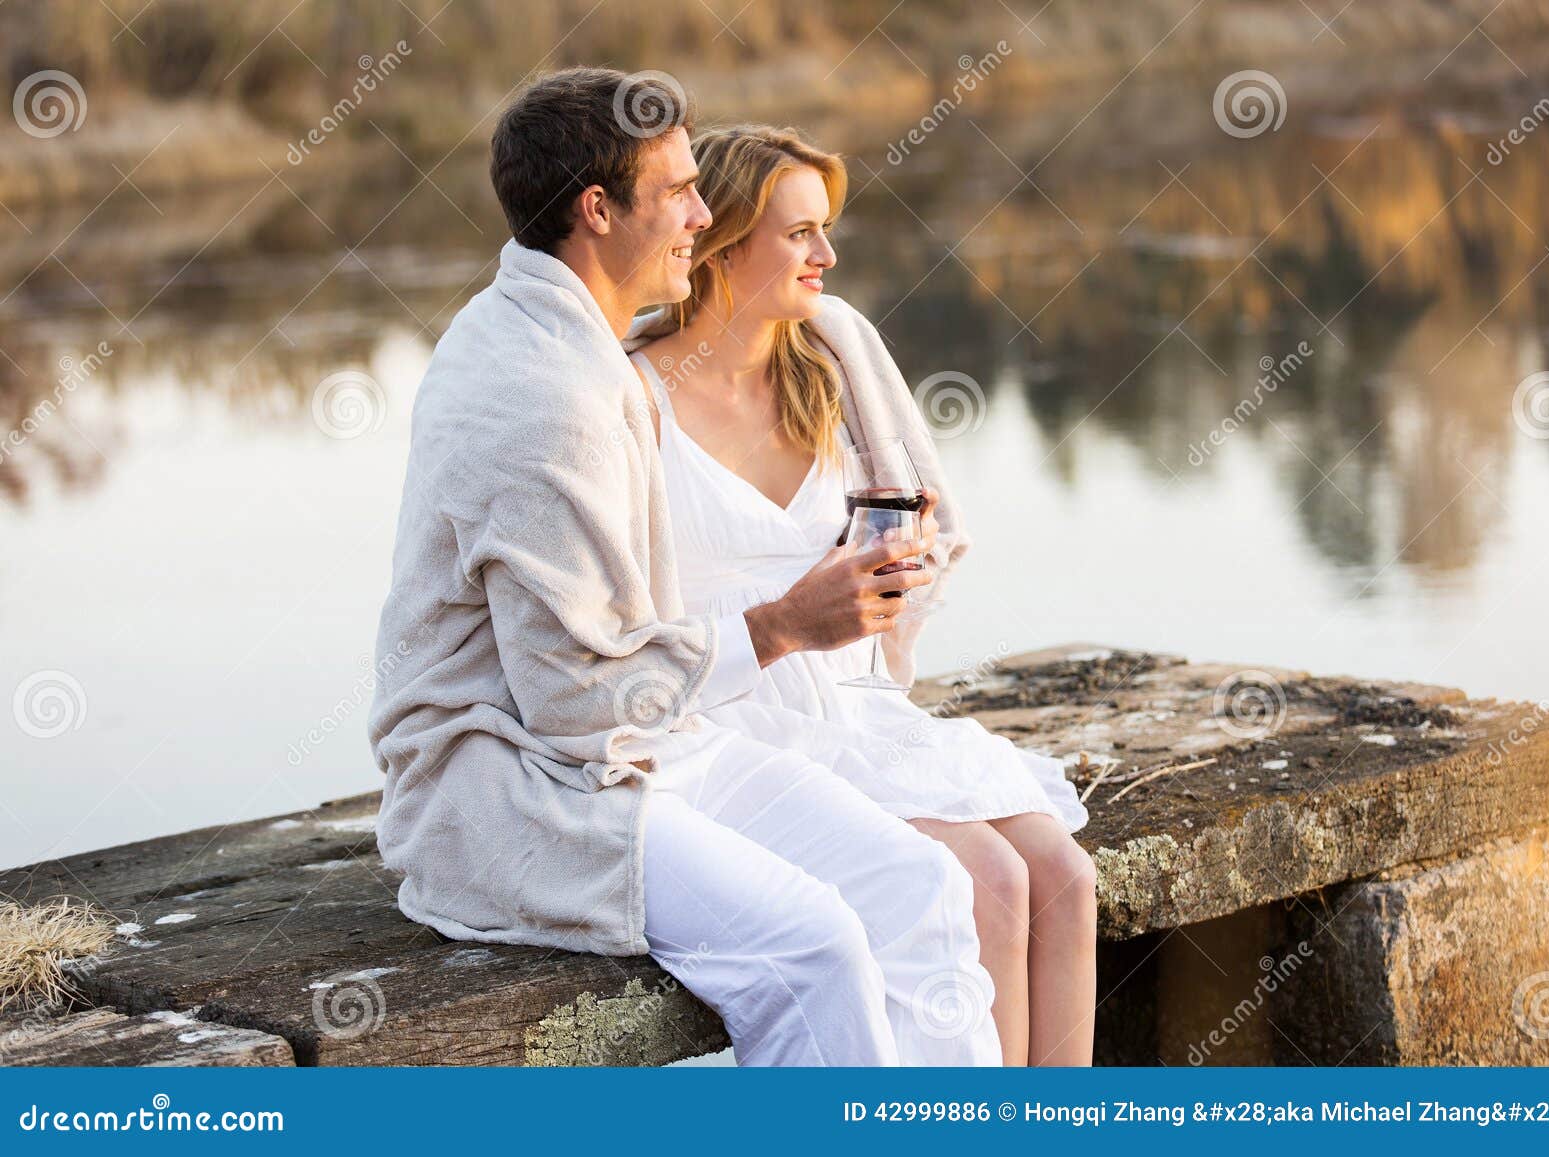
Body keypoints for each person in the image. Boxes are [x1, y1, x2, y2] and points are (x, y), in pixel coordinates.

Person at [367, 68, 1002, 1066]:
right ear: (595, 211)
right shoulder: (544, 395)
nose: (703, 220)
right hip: (518, 786)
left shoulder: (555, 332)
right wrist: (784, 624)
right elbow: (576, 704)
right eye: (677, 193)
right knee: (814, 947)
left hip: (650, 743)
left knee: (922, 885)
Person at [626, 126, 1097, 1066]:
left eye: (826, 230)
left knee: (1065, 878)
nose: (826, 257)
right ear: (721, 244)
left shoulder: (830, 368)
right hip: (736, 730)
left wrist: (900, 558)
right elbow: (627, 628)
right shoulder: (634, 400)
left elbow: (899, 546)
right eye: (799, 233)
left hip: (856, 706)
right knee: (990, 883)